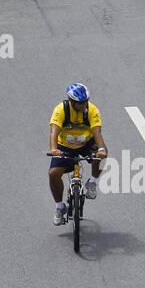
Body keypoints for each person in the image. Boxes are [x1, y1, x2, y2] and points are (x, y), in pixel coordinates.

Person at [48, 83, 108, 225]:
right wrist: (54, 149)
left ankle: (92, 182)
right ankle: (59, 207)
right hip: (65, 146)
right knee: (53, 174)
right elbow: (54, 132)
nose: (84, 106)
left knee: (103, 154)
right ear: (71, 101)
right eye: (80, 103)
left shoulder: (92, 110)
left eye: (86, 102)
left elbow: (97, 132)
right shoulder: (60, 110)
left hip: (86, 142)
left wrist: (101, 149)